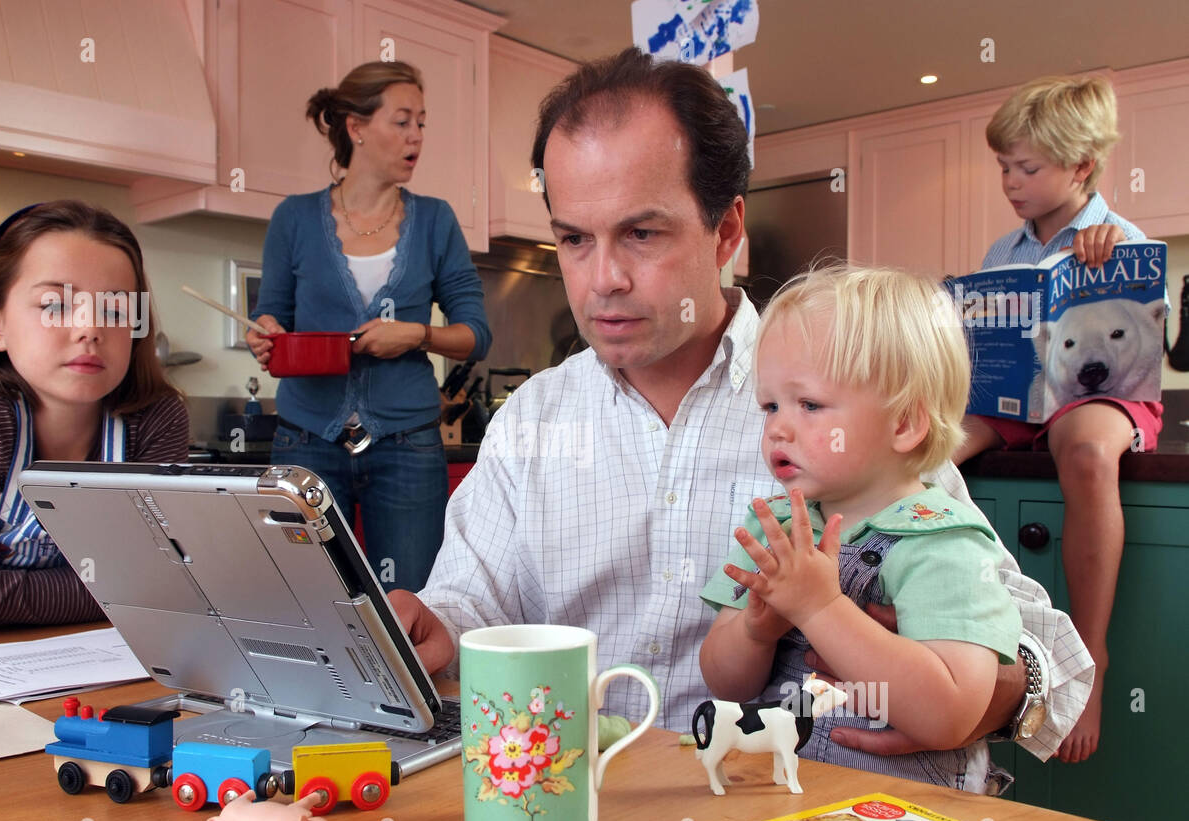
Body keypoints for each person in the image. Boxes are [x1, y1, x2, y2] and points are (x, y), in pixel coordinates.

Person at [390, 47, 1093, 771]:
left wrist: (970, 687)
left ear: (726, 232)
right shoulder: (531, 421)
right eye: (574, 239)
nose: (602, 279)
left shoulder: (841, 402)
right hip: (584, 819)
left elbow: (1051, 668)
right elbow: (470, 605)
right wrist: (436, 627)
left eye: (641, 233)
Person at [698, 266, 1021, 792]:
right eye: (770, 406)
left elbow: (951, 714)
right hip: (782, 802)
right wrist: (755, 630)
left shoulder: (945, 542)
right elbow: (724, 681)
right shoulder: (778, 525)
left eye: (809, 404)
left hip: (908, 818)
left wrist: (820, 608)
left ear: (903, 424)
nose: (777, 426)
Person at [951, 75, 1157, 763]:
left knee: (1090, 455)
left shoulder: (1118, 237)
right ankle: (952, 631)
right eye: (1004, 165)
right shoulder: (1001, 255)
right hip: (1019, 398)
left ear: (1082, 166)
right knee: (930, 450)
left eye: (1027, 167)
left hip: (1097, 398)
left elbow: (1157, 334)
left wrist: (1111, 263)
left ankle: (1088, 661)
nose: (1010, 180)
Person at [247, 61, 490, 593]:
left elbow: (476, 333)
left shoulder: (435, 220)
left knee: (410, 604)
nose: (416, 136)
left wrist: (419, 335)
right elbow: (273, 319)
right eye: (402, 121)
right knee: (309, 600)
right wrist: (264, 336)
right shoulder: (294, 218)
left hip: (407, 446)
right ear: (356, 128)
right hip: (306, 441)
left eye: (421, 123)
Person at [0, 200, 189, 628]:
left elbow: (157, 585)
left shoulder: (157, 420)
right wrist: (110, 589)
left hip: (99, 663)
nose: (91, 329)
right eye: (55, 306)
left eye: (116, 310)